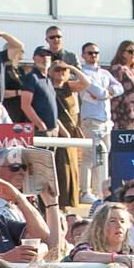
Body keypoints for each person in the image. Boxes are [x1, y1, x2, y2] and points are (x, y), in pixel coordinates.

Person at [78, 42, 123, 204]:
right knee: (90, 157)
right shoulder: (82, 72)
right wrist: (105, 93)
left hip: (106, 121)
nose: (93, 55)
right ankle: (85, 191)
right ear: (83, 55)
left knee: (102, 158)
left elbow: (119, 87)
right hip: (91, 120)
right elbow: (96, 91)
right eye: (89, 53)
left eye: (96, 53)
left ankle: (99, 193)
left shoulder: (104, 72)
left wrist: (109, 92)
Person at [49, 59, 89, 210]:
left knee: (72, 165)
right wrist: (62, 131)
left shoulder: (68, 86)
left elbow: (86, 83)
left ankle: (70, 201)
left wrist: (71, 67)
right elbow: (52, 112)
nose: (61, 73)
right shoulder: (48, 87)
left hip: (71, 129)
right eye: (58, 69)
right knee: (62, 166)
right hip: (59, 130)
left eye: (63, 70)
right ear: (51, 71)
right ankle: (61, 203)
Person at [109, 40, 134, 131]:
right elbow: (113, 92)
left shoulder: (133, 70)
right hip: (122, 113)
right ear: (122, 53)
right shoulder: (118, 68)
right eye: (130, 51)